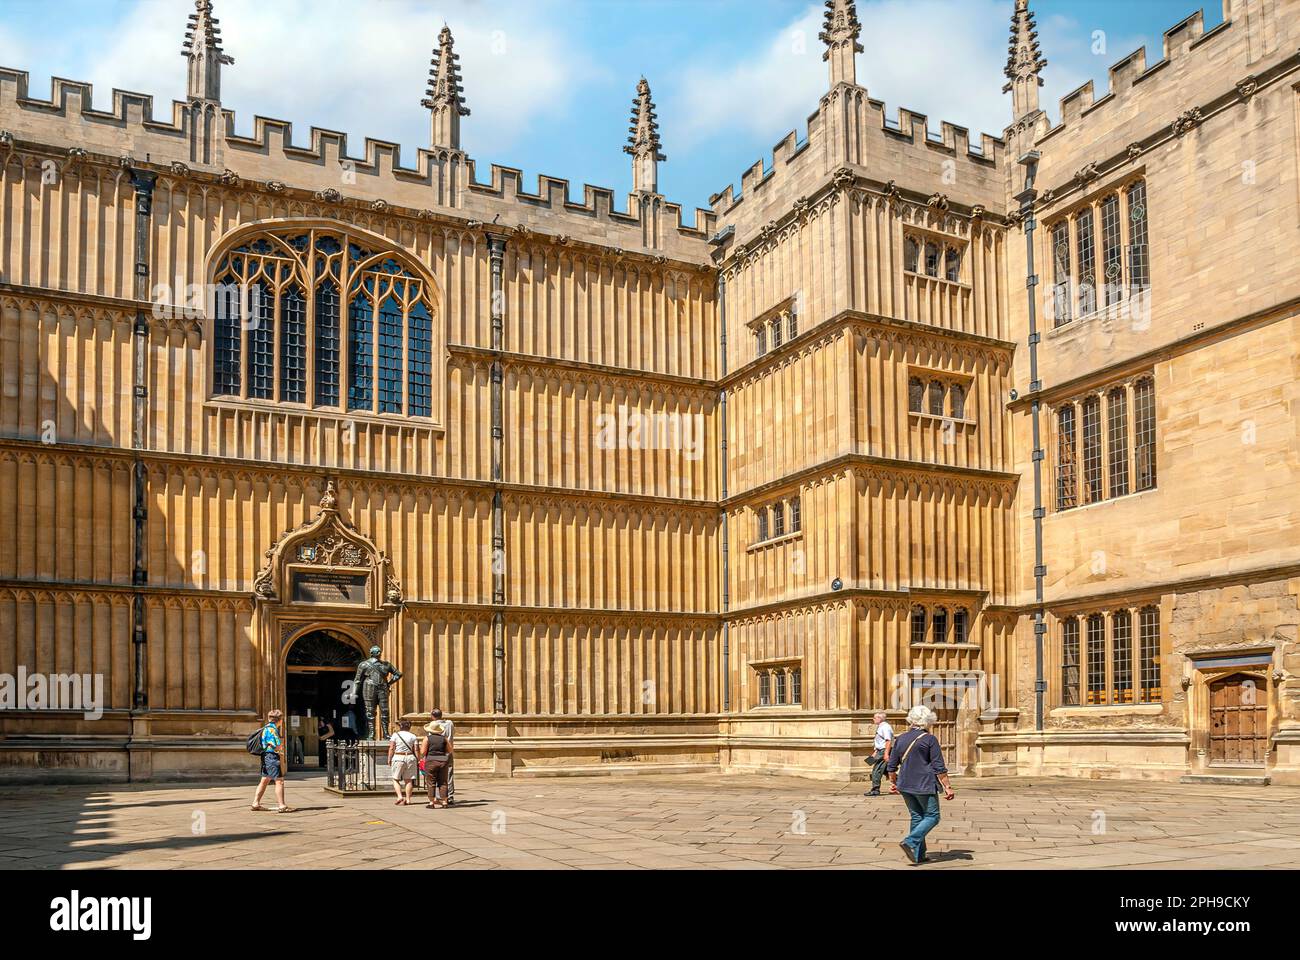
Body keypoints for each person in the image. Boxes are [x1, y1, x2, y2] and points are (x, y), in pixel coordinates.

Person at [886, 704, 954, 865]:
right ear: (927, 721)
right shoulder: (930, 739)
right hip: (924, 784)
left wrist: (893, 782)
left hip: (905, 785)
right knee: (933, 816)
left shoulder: (901, 738)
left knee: (917, 816)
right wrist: (947, 786)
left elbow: (891, 765)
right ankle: (910, 841)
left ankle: (918, 855)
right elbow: (939, 766)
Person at [251, 709, 292, 813]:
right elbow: (277, 745)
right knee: (279, 781)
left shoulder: (265, 728)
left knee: (264, 780)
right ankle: (282, 805)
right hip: (272, 757)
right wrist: (281, 750)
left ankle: (255, 803)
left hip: (265, 756)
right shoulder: (272, 730)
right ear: (280, 720)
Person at [418, 718, 454, 809]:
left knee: (431, 782)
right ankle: (445, 802)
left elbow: (422, 752)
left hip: (431, 761)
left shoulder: (427, 738)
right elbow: (450, 750)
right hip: (443, 761)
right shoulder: (444, 738)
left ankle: (431, 802)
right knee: (443, 782)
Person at [388, 720, 420, 805]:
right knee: (408, 780)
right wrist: (418, 759)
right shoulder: (413, 736)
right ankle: (408, 799)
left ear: (400, 726)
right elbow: (416, 749)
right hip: (410, 757)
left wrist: (389, 759)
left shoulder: (395, 735)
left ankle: (399, 796)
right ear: (409, 727)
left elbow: (391, 748)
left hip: (398, 757)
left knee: (395, 778)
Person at [864, 711, 895, 797]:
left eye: (874, 717)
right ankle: (901, 785)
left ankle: (875, 789)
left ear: (879, 718)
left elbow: (888, 741)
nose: (873, 719)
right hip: (880, 750)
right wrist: (875, 752)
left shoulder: (885, 727)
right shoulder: (881, 727)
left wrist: (886, 754)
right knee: (886, 770)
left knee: (876, 770)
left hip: (884, 751)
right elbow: (880, 742)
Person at [430, 708, 455, 805]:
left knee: (435, 775)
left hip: (436, 754)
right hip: (448, 752)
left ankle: (438, 796)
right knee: (449, 774)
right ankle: (450, 796)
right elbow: (448, 721)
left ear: (432, 716)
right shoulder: (449, 724)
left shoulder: (432, 727)